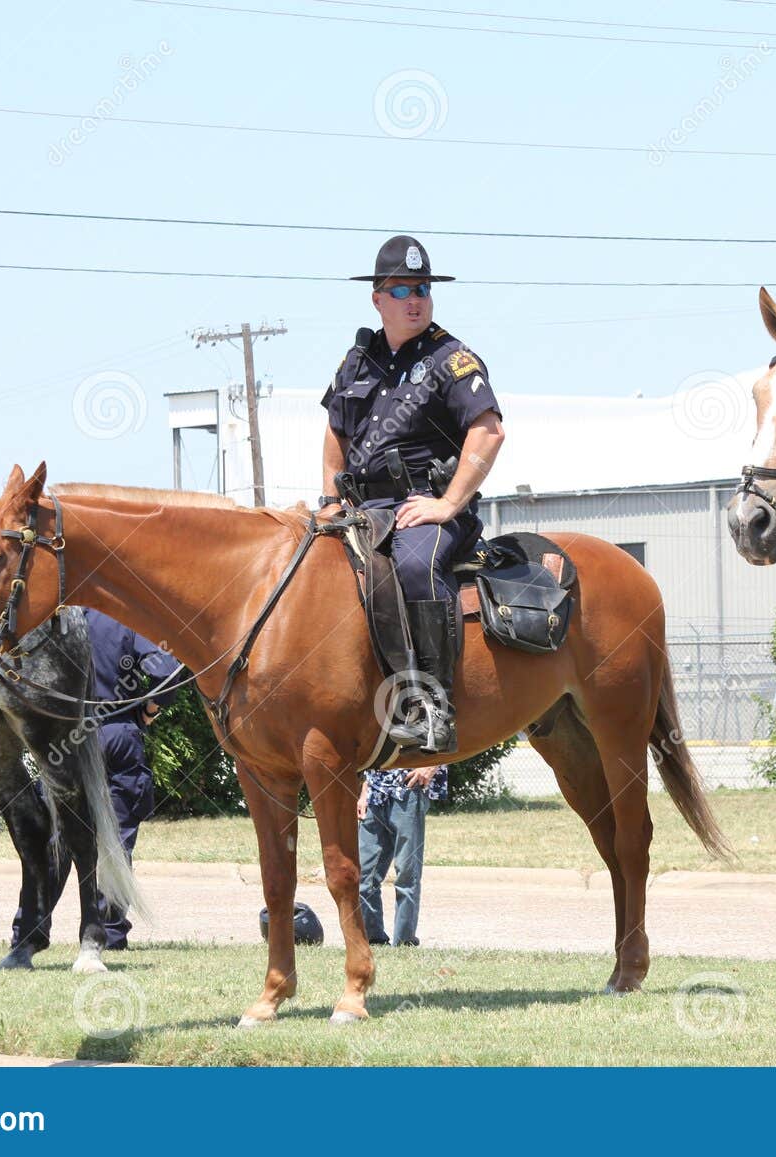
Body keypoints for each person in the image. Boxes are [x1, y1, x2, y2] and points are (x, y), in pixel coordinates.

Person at [318, 236, 505, 753]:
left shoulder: (452, 359)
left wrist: (448, 505)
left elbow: (488, 431)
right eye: (401, 290)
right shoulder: (359, 360)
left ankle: (431, 709)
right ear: (377, 299)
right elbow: (336, 430)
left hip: (425, 508)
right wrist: (330, 499)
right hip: (362, 510)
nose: (414, 299)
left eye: (422, 289)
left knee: (415, 566)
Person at [7, 608, 181, 952]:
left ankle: (29, 931)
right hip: (117, 730)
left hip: (66, 738)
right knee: (117, 839)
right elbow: (167, 670)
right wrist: (150, 708)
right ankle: (110, 933)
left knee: (55, 838)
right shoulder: (127, 616)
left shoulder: (52, 618)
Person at [357, 763, 448, 946]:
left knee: (407, 873)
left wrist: (431, 766)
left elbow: (451, 743)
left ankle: (404, 942)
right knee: (363, 873)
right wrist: (364, 791)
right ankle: (373, 939)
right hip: (375, 792)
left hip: (409, 789)